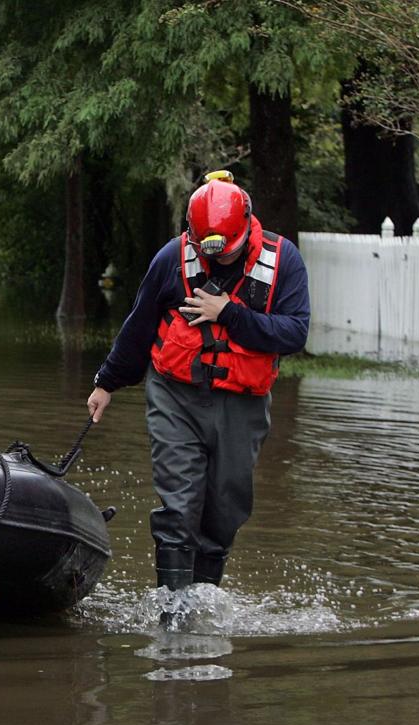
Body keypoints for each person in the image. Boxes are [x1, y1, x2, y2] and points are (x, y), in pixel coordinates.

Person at [85, 170, 310, 594]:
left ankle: (203, 603)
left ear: (247, 228)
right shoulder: (172, 258)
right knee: (179, 506)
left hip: (242, 404)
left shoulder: (284, 261)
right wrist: (106, 383)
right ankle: (172, 610)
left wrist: (230, 314)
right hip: (176, 397)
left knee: (224, 511)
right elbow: (139, 327)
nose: (219, 260)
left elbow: (295, 333)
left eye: (228, 252)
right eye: (211, 253)